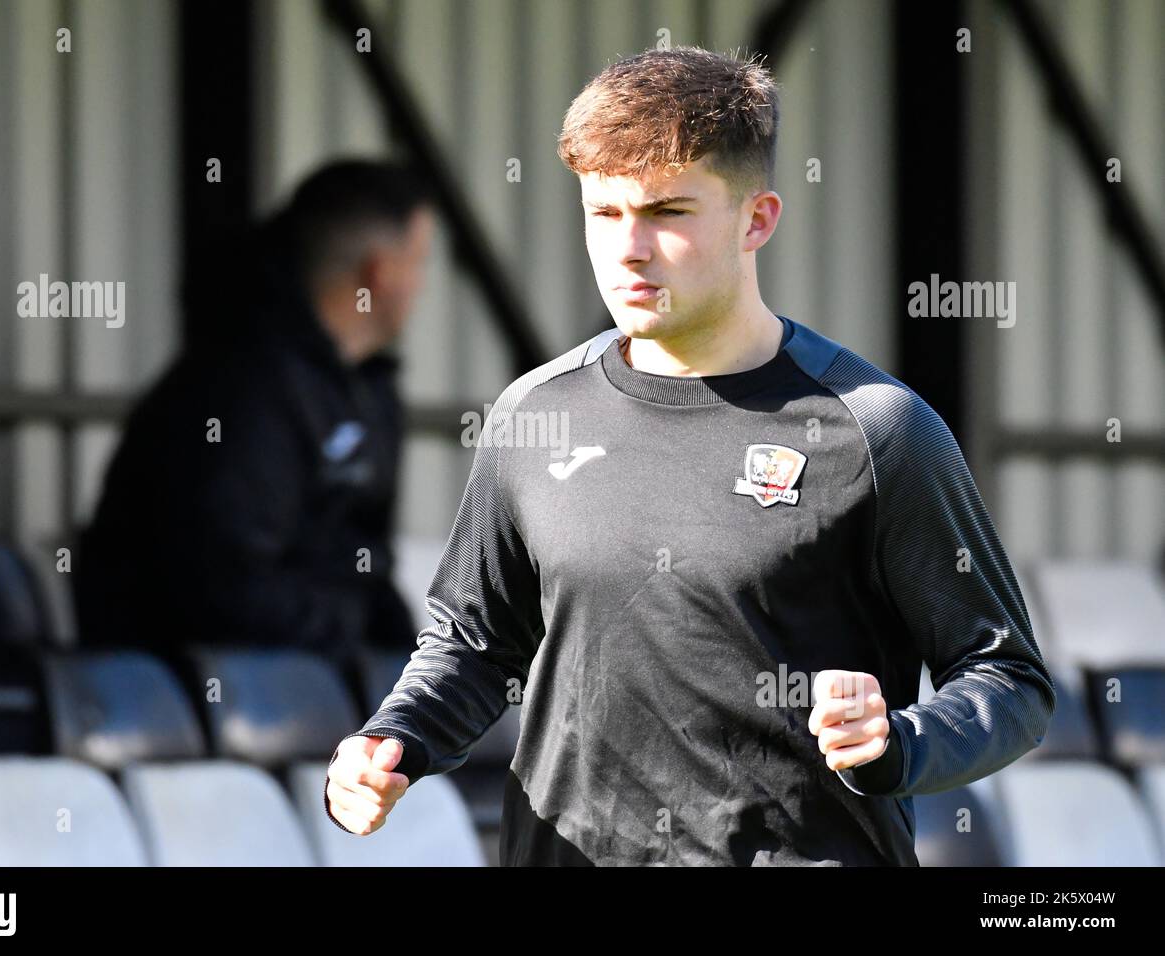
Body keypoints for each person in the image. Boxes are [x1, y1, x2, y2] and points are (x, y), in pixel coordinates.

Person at [323, 48, 1054, 865]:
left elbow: (1010, 680)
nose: (630, 248)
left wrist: (900, 743)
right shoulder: (535, 414)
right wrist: (392, 743)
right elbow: (474, 642)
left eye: (668, 212)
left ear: (758, 219)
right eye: (604, 213)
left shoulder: (877, 430)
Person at [74, 158, 436, 709]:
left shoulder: (369, 389)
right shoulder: (242, 387)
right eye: (420, 263)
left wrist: (417, 669)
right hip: (201, 697)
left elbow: (367, 563)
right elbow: (225, 592)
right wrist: (358, 642)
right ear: (381, 272)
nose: (421, 285)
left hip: (312, 681)